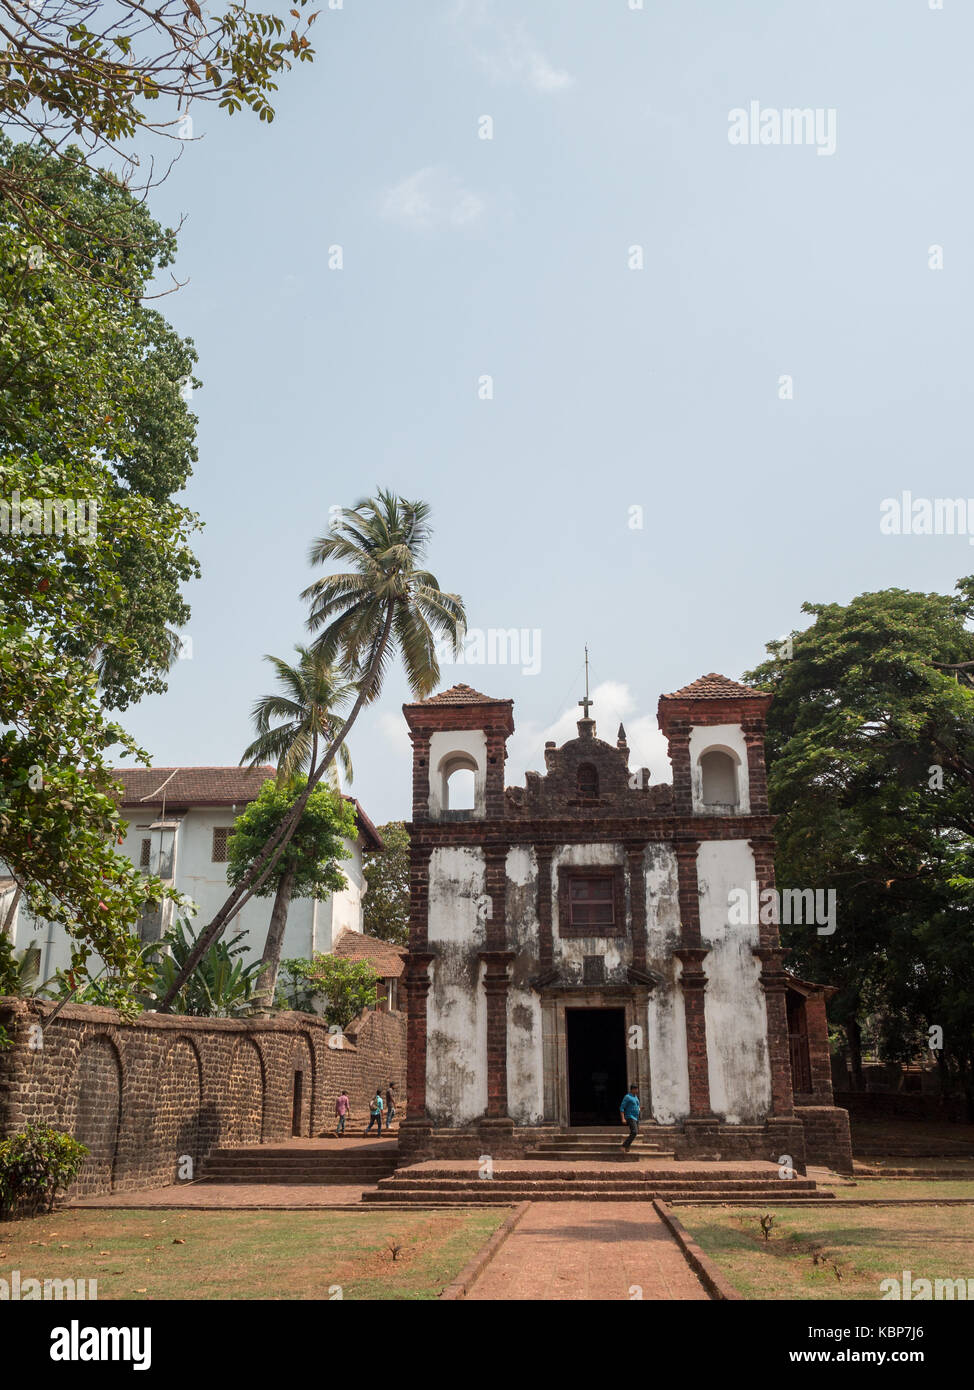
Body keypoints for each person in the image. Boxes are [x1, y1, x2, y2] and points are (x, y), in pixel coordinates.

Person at [619, 1083, 640, 1150]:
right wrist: (623, 1118)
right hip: (630, 1117)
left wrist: (639, 1109)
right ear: (632, 1089)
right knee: (634, 1132)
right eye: (636, 1089)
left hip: (636, 1117)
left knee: (634, 1132)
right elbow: (622, 1108)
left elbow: (637, 1106)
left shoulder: (636, 1097)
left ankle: (627, 1146)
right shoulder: (627, 1097)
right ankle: (624, 1145)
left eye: (637, 1089)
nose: (637, 1090)